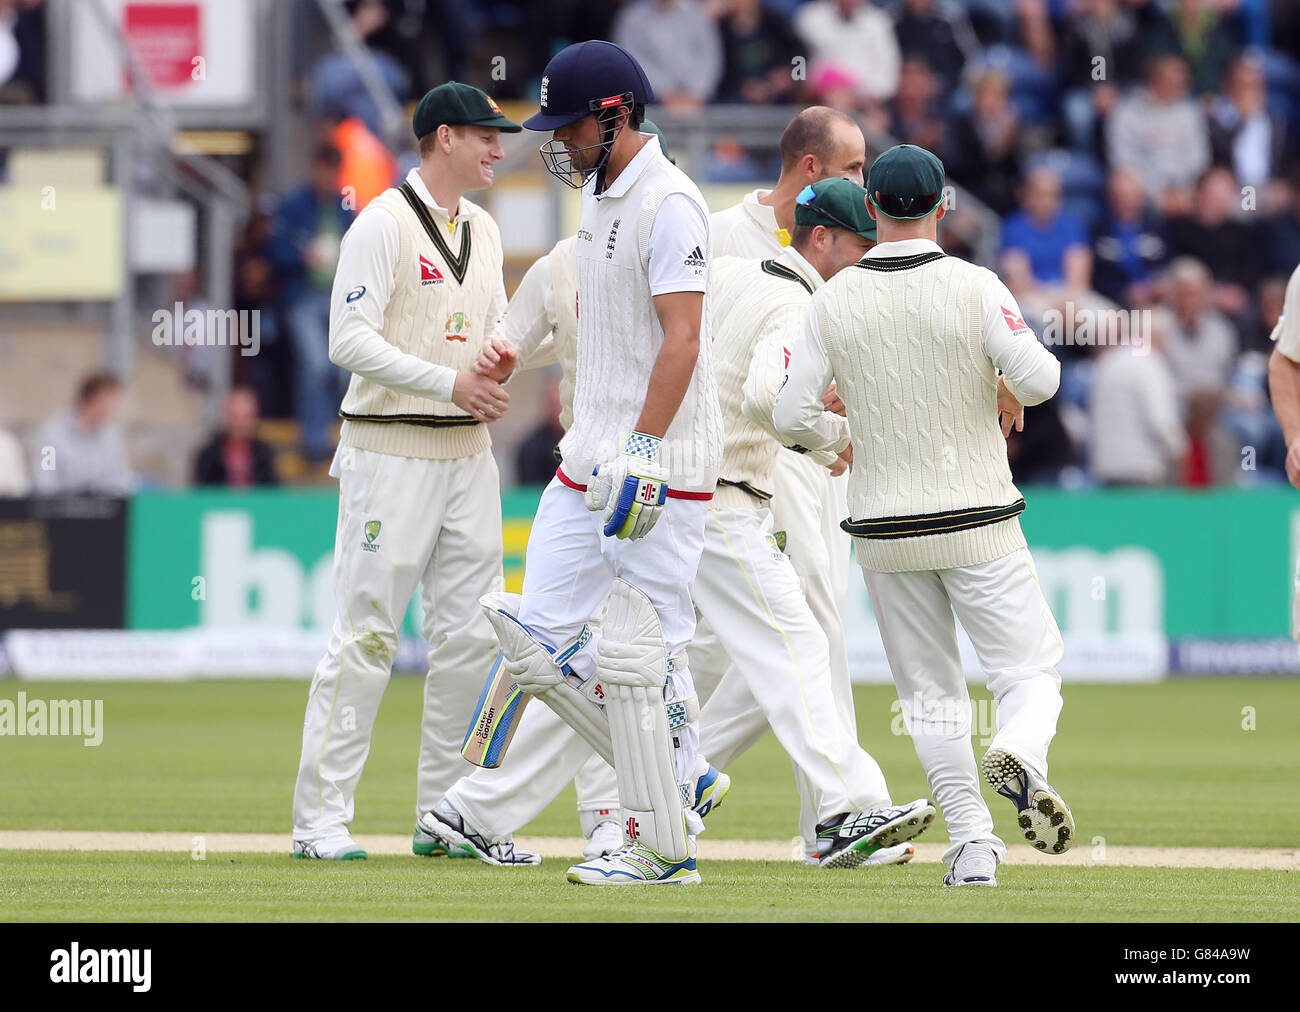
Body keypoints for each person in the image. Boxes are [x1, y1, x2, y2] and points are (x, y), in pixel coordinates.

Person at [418, 40, 723, 886]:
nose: (559, 143)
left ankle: (663, 843)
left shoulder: (671, 204)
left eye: (572, 124)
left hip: (659, 467)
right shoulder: (597, 196)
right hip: (584, 460)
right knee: (532, 646)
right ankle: (680, 772)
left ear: (618, 114)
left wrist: (644, 446)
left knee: (645, 655)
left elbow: (684, 339)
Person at [774, 144, 1073, 889]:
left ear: (870, 208)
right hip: (977, 519)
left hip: (882, 531)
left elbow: (788, 413)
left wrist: (835, 440)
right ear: (943, 208)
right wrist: (1001, 379)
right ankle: (1023, 754)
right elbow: (1044, 380)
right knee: (1030, 669)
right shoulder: (974, 285)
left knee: (932, 701)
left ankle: (973, 845)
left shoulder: (834, 298)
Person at [290, 82, 521, 862]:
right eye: (486, 136)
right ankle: (319, 823)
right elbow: (346, 341)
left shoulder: (485, 229)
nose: (499, 149)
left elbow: (487, 327)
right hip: (389, 448)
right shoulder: (382, 225)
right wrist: (450, 381)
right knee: (366, 638)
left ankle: (445, 817)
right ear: (444, 136)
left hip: (468, 455)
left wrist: (495, 360)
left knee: (467, 641)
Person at [694, 178, 934, 868]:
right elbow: (768, 394)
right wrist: (830, 435)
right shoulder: (799, 304)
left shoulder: (732, 274)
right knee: (800, 647)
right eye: (861, 247)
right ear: (821, 239)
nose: (867, 264)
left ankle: (676, 789)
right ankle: (840, 817)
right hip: (721, 497)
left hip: (689, 491)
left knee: (775, 653)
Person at [706, 104, 865, 860]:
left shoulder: (845, 248)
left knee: (792, 637)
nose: (863, 182)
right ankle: (837, 818)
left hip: (805, 456)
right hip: (751, 457)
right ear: (812, 170)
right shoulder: (719, 233)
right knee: (806, 631)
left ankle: (683, 778)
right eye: (854, 168)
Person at [266, 143, 356, 462]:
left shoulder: (345, 209)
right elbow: (275, 251)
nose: (326, 177)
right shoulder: (293, 206)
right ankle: (314, 440)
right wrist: (302, 257)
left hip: (340, 299)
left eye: (332, 171)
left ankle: (342, 433)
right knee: (317, 364)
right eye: (322, 170)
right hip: (303, 297)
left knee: (347, 366)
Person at [31, 373, 135, 497]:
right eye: (111, 398)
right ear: (94, 397)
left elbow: (121, 478)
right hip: (61, 510)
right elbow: (45, 480)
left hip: (103, 510)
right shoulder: (51, 435)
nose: (115, 405)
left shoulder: (111, 436)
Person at [193, 386, 279, 487]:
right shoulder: (208, 456)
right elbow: (199, 494)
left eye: (246, 417)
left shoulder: (265, 454)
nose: (240, 424)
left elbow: (274, 493)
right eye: (235, 417)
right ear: (226, 415)